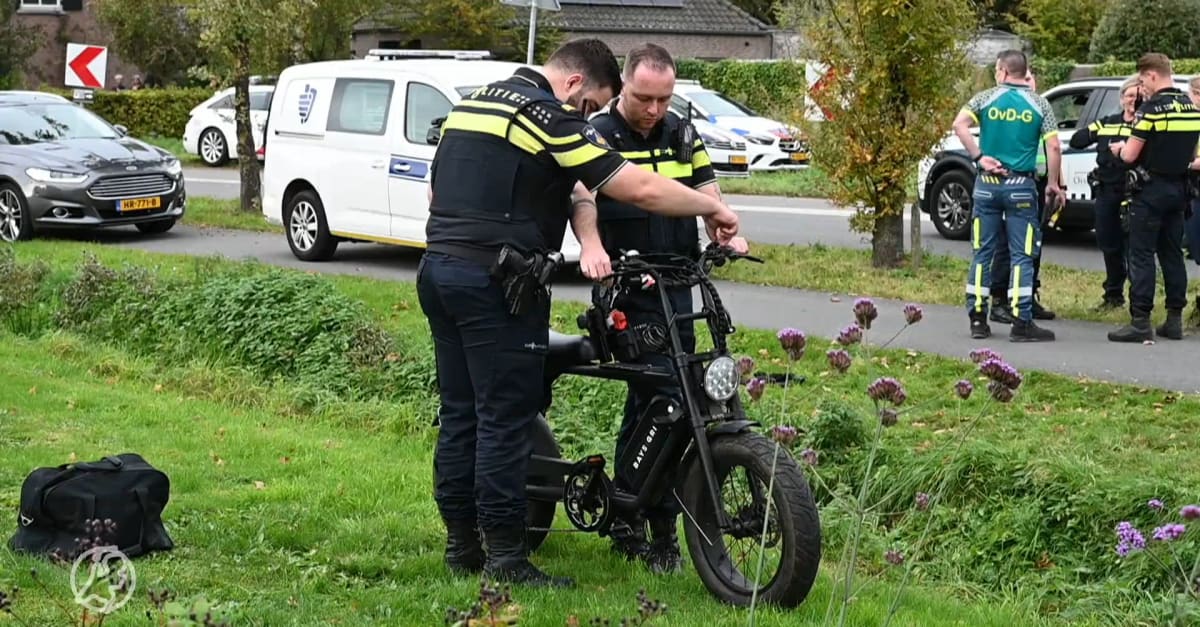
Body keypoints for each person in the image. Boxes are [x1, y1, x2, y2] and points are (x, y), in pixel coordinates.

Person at [416, 38, 741, 589]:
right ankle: (506, 559)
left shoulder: (473, 104)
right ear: (573, 84)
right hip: (498, 284)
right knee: (503, 419)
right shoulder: (545, 113)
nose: (585, 118)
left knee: (462, 414)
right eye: (589, 107)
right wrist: (713, 206)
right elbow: (634, 186)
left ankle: (461, 545)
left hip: (440, 270)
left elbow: (435, 191)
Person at [583, 43, 749, 574]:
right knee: (661, 395)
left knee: (670, 397)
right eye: (643, 98)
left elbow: (705, 188)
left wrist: (721, 225)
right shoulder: (598, 134)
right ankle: (650, 526)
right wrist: (592, 247)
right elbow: (582, 198)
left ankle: (632, 508)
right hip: (628, 289)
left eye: (663, 98)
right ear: (624, 86)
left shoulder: (681, 129)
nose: (654, 109)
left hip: (680, 286)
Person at [953, 50, 1065, 342]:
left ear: (1002, 70)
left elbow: (959, 125)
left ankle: (978, 319)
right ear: (1023, 71)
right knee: (1022, 256)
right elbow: (1054, 147)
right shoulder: (1039, 104)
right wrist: (1053, 183)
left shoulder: (984, 98)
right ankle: (1021, 322)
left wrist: (979, 157)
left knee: (982, 253)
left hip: (986, 186)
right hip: (1021, 188)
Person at [1107, 53, 1200, 341]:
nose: (1142, 88)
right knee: (1172, 253)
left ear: (1151, 75)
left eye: (1143, 81)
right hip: (1180, 191)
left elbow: (1132, 154)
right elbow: (1193, 154)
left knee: (1142, 253)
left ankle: (1140, 322)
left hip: (1150, 191)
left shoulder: (1152, 110)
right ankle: (1174, 320)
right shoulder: (1192, 109)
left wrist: (1120, 150)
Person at [987, 69, 1057, 326]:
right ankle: (1000, 300)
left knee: (1032, 245)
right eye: (1023, 78)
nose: (1027, 83)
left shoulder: (1039, 109)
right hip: (1014, 182)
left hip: (1037, 182)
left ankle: (1026, 296)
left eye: (1030, 79)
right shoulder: (1020, 111)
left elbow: (1052, 150)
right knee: (1008, 244)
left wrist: (1056, 182)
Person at [1069, 76, 1141, 311]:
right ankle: (1113, 296)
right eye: (1129, 95)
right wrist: (1093, 131)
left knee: (1134, 248)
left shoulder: (1145, 124)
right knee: (1109, 244)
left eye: (1138, 96)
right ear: (1121, 99)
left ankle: (1138, 301)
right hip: (1107, 191)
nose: (1133, 100)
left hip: (1135, 192)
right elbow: (1078, 141)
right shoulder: (1107, 122)